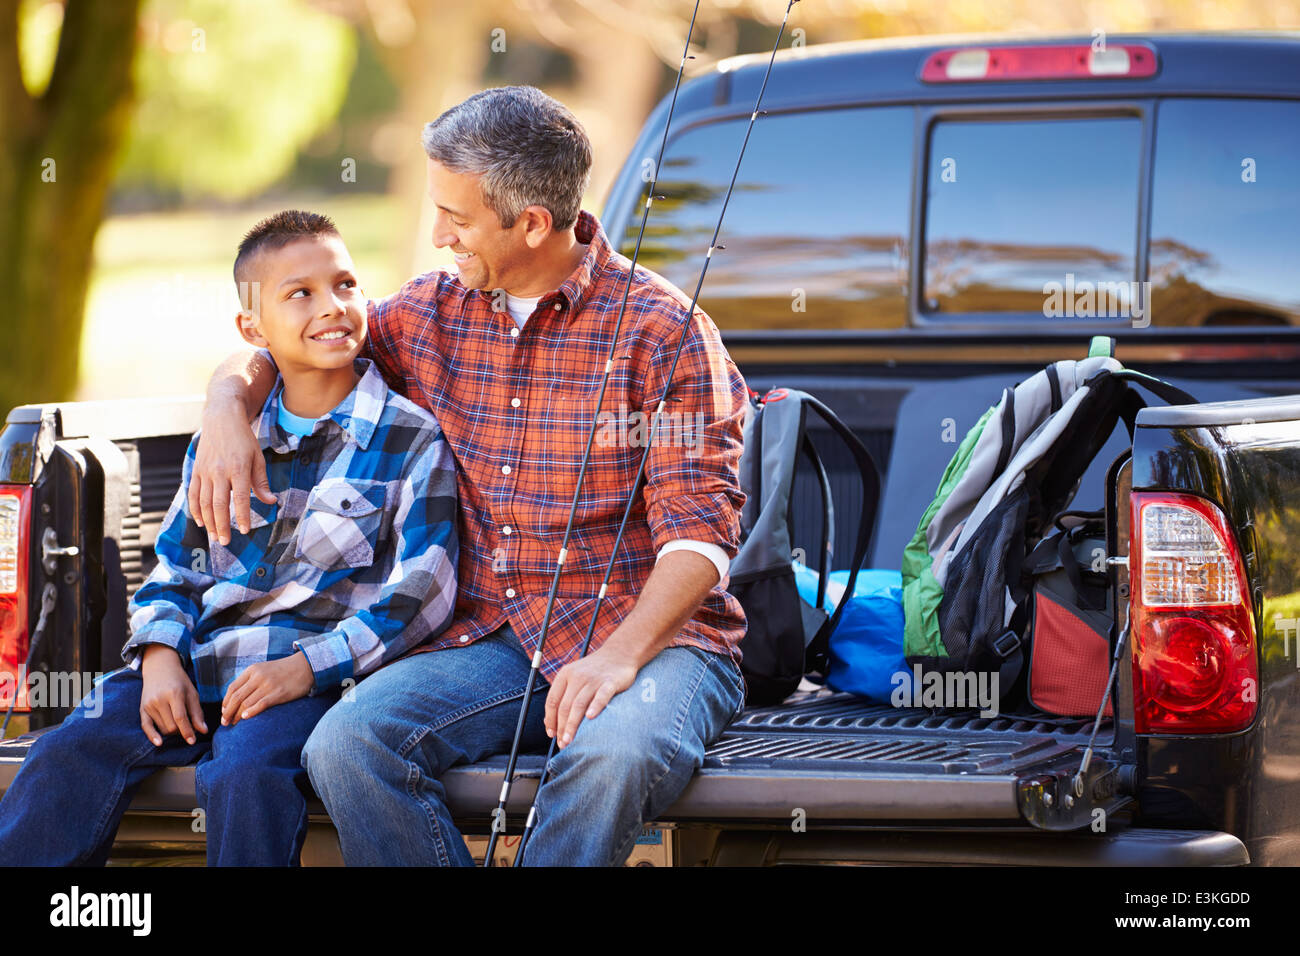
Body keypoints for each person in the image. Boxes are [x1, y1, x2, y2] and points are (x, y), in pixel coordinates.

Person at [193, 86, 749, 867]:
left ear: (530, 223)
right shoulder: (426, 314)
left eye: (456, 216)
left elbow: (701, 535)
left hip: (655, 643)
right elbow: (299, 340)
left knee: (608, 761)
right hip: (494, 639)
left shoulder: (668, 334)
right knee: (349, 745)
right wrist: (226, 403)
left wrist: (618, 656)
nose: (437, 233)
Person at [0, 210, 458, 866]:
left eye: (347, 284)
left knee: (245, 775)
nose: (332, 306)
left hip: (314, 681)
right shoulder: (223, 443)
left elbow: (424, 591)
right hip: (198, 664)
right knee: (65, 752)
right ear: (253, 329)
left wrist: (306, 669)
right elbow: (174, 569)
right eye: (299, 293)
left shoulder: (409, 437)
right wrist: (158, 656)